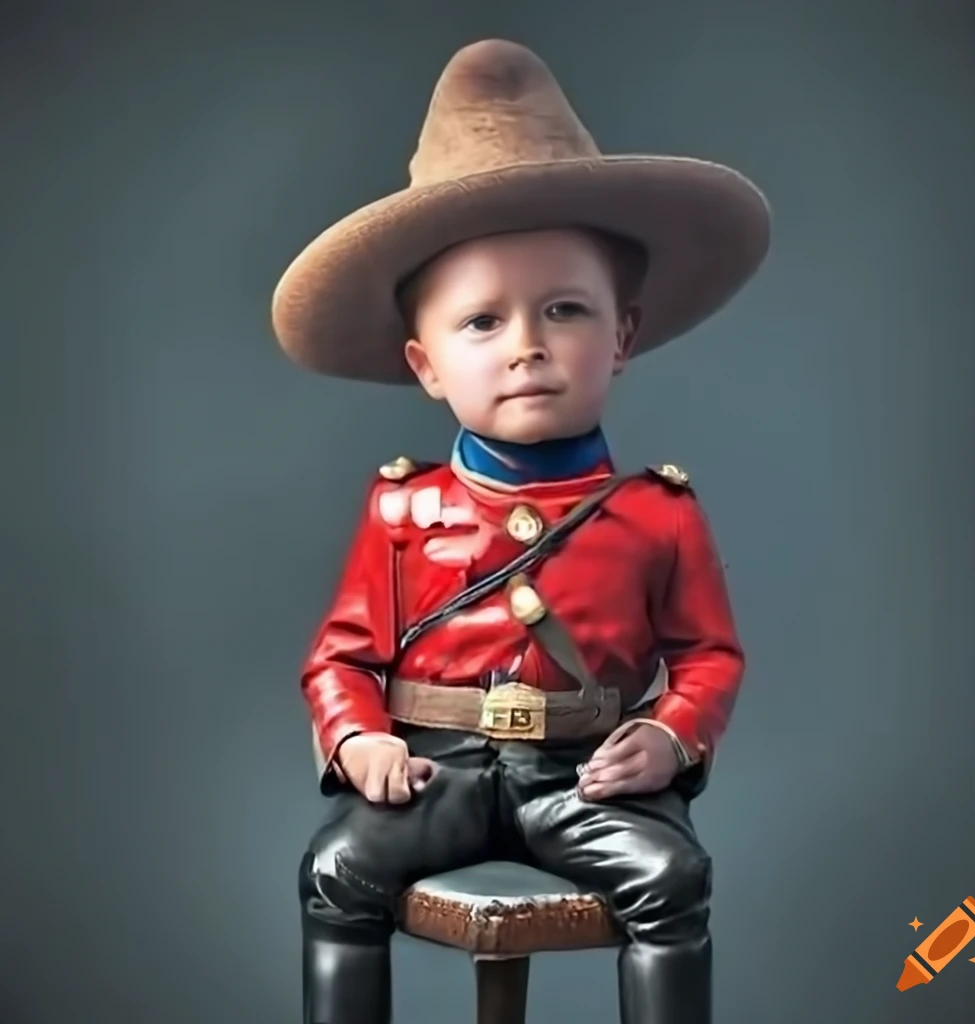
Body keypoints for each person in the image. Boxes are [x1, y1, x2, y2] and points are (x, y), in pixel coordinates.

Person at [271, 38, 771, 1024]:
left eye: (563, 309)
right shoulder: (400, 511)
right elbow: (338, 660)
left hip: (583, 777)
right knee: (336, 869)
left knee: (670, 879)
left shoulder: (656, 513)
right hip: (436, 771)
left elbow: (708, 655)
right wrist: (360, 738)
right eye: (481, 322)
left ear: (621, 336)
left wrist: (669, 740)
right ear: (424, 363)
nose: (528, 345)